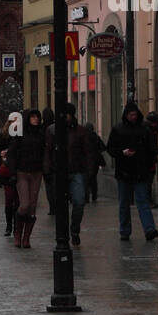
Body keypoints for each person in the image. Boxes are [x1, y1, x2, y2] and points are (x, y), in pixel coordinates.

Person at [107, 101, 158, 242]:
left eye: (135, 114)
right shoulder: (118, 129)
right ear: (126, 115)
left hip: (140, 171)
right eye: (131, 115)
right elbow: (110, 148)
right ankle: (124, 231)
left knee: (142, 200)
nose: (133, 117)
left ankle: (149, 229)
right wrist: (122, 152)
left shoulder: (144, 129)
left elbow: (151, 149)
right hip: (124, 171)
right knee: (124, 202)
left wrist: (148, 165)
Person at [48, 105, 98, 247]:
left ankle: (74, 230)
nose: (65, 118)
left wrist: (89, 171)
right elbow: (49, 151)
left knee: (79, 202)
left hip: (77, 171)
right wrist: (49, 170)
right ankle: (63, 233)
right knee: (61, 205)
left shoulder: (81, 131)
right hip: (59, 172)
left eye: (67, 115)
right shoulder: (53, 131)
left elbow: (88, 152)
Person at [9, 108, 48, 248]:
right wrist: (13, 173)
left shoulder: (41, 134)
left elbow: (45, 152)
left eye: (37, 117)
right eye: (32, 117)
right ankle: (18, 233)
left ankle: (26, 238)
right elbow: (12, 153)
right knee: (24, 204)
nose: (35, 119)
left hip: (36, 172)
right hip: (22, 172)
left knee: (32, 207)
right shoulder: (20, 134)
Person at [0, 118, 19, 236]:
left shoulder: (20, 136)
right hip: (8, 171)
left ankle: (15, 226)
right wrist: (2, 153)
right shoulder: (4, 136)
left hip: (19, 171)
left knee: (17, 200)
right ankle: (9, 225)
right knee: (9, 199)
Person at [83, 121, 106, 202]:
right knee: (93, 178)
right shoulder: (96, 137)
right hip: (95, 161)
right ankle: (94, 195)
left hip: (86, 160)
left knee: (86, 179)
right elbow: (103, 147)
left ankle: (86, 197)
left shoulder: (84, 137)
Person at [41, 106, 56, 215]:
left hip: (45, 161)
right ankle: (56, 205)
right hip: (56, 160)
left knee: (49, 186)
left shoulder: (41, 128)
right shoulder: (56, 127)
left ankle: (52, 206)